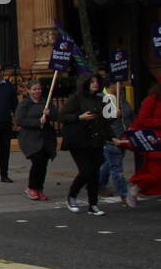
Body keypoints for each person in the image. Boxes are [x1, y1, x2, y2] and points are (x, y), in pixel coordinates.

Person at [56, 72, 110, 215]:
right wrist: (80, 117)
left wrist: (113, 119)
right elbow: (62, 116)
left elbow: (104, 120)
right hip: (79, 139)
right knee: (86, 170)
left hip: (95, 139)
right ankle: (72, 196)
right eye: (92, 81)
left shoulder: (101, 99)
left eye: (97, 81)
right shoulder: (76, 98)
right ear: (85, 83)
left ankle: (93, 205)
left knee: (94, 173)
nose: (95, 84)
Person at [14, 79, 58, 201]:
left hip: (45, 138)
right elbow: (20, 120)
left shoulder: (46, 102)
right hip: (30, 139)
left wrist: (49, 113)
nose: (37, 91)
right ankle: (32, 188)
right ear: (28, 91)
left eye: (38, 89)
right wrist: (38, 122)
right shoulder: (24, 104)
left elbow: (56, 116)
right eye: (34, 89)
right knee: (37, 162)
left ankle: (39, 189)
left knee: (43, 164)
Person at [123, 81, 161, 206]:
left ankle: (136, 188)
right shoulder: (151, 100)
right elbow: (143, 120)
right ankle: (136, 187)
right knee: (155, 173)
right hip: (154, 142)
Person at [96, 85, 133, 205]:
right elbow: (100, 121)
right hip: (111, 140)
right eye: (120, 82)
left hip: (124, 137)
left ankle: (99, 184)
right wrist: (113, 115)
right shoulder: (101, 98)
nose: (122, 84)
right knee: (116, 168)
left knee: (109, 164)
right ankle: (124, 194)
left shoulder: (121, 96)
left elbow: (129, 114)